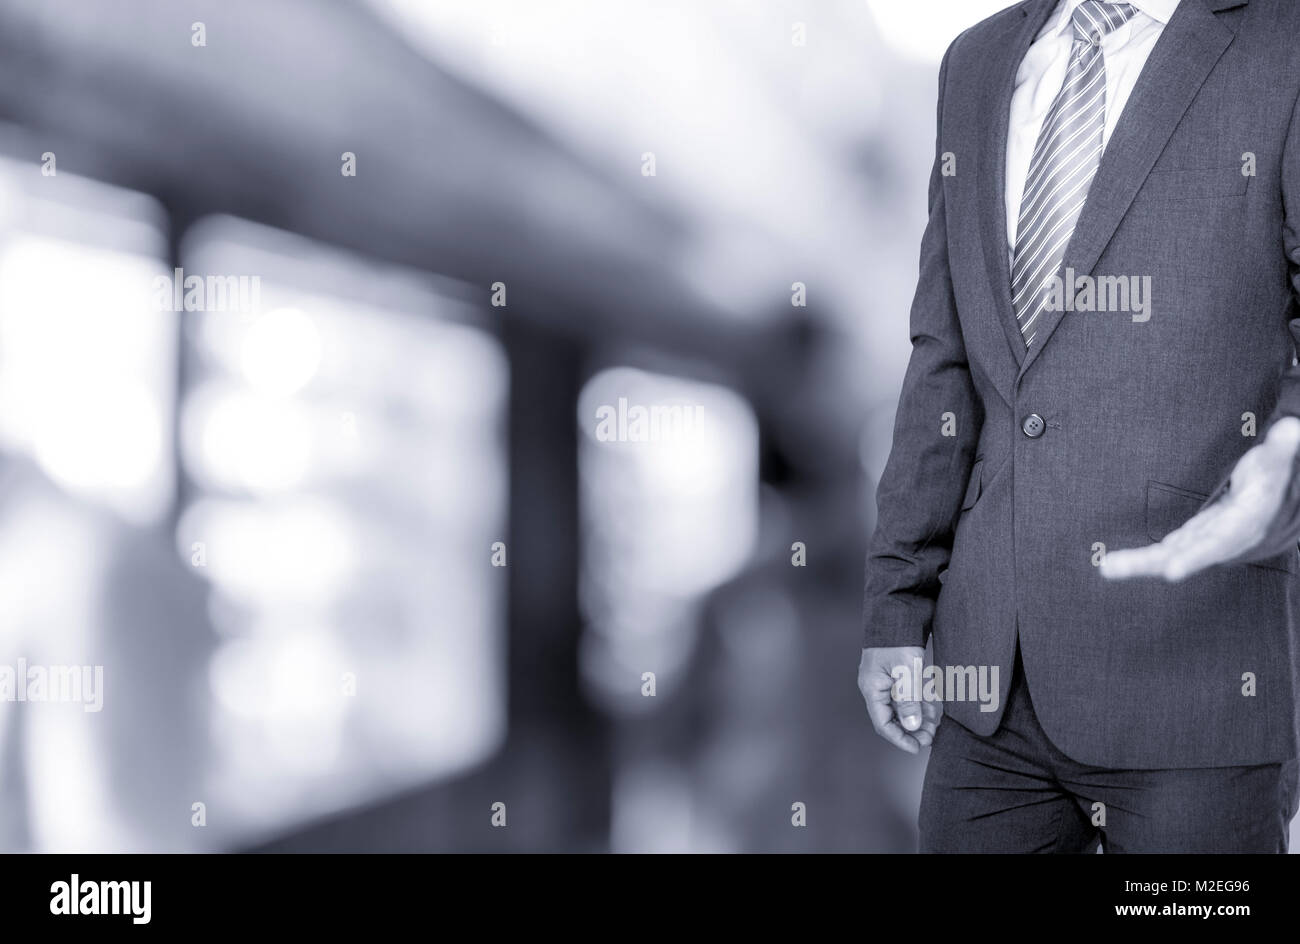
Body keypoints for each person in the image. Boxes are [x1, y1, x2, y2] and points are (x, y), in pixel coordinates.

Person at [859, 0, 1300, 852]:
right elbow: (941, 358)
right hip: (989, 692)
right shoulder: (975, 63)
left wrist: (1283, 456)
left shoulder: (1281, 41)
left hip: (1195, 678)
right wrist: (894, 608)